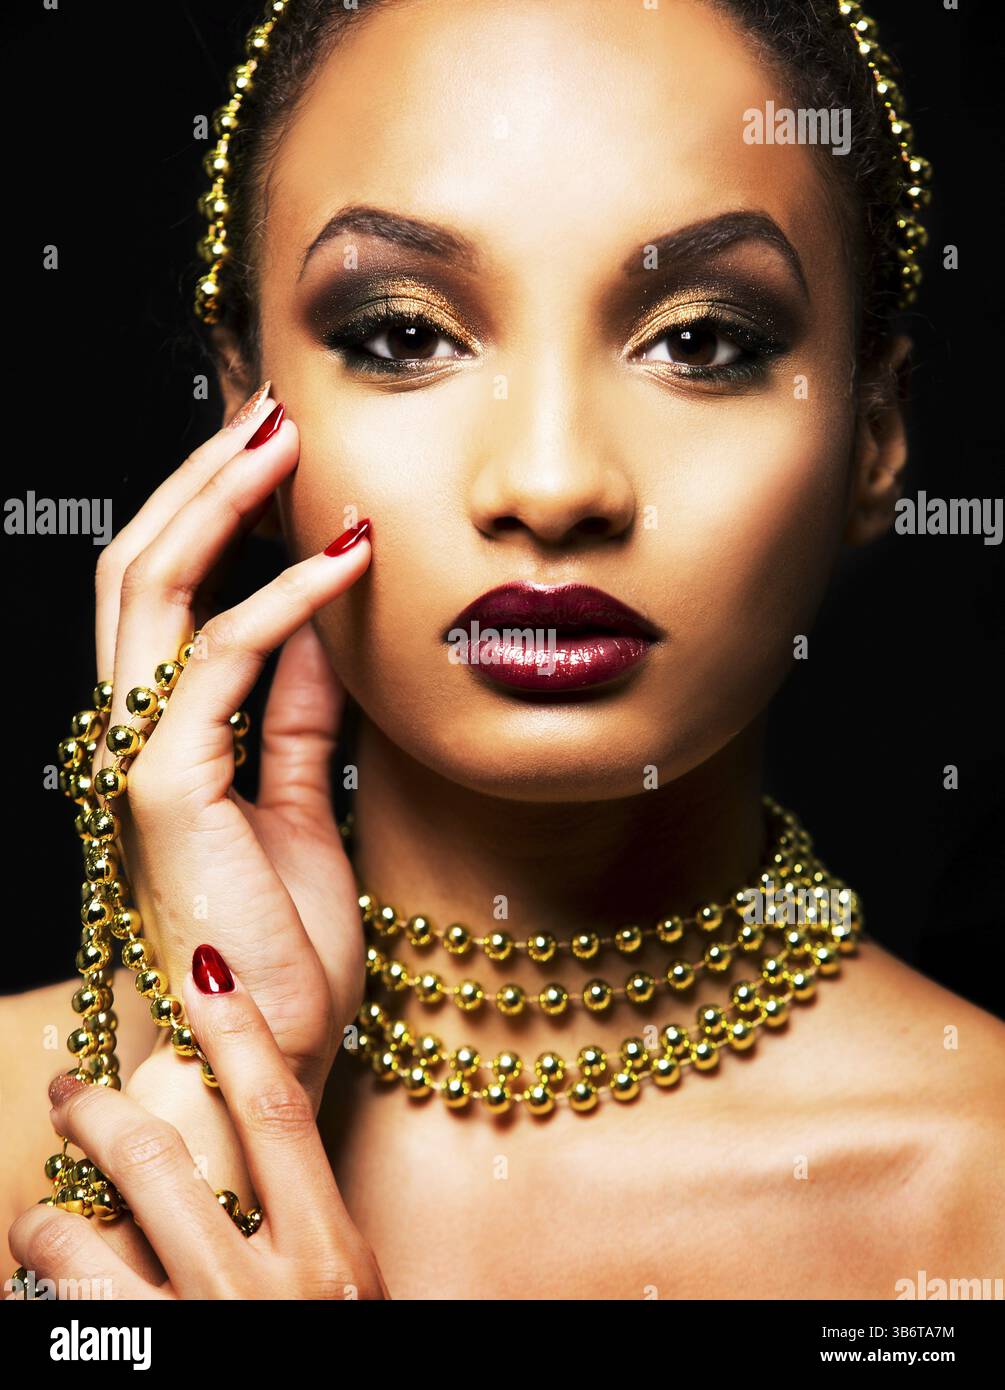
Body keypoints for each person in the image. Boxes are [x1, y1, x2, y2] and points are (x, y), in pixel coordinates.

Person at [3, 0, 1003, 1301]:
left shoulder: (976, 1186)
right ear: (249, 411)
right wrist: (213, 1090)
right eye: (404, 334)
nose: (549, 482)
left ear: (871, 438)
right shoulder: (28, 1141)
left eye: (699, 342)